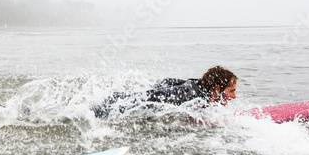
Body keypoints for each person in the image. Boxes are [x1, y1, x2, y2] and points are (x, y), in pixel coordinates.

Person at [92, 66, 237, 118]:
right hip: (116, 107)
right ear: (217, 88)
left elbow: (168, 81)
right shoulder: (195, 98)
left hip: (120, 98)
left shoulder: (196, 84)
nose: (233, 96)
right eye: (231, 91)